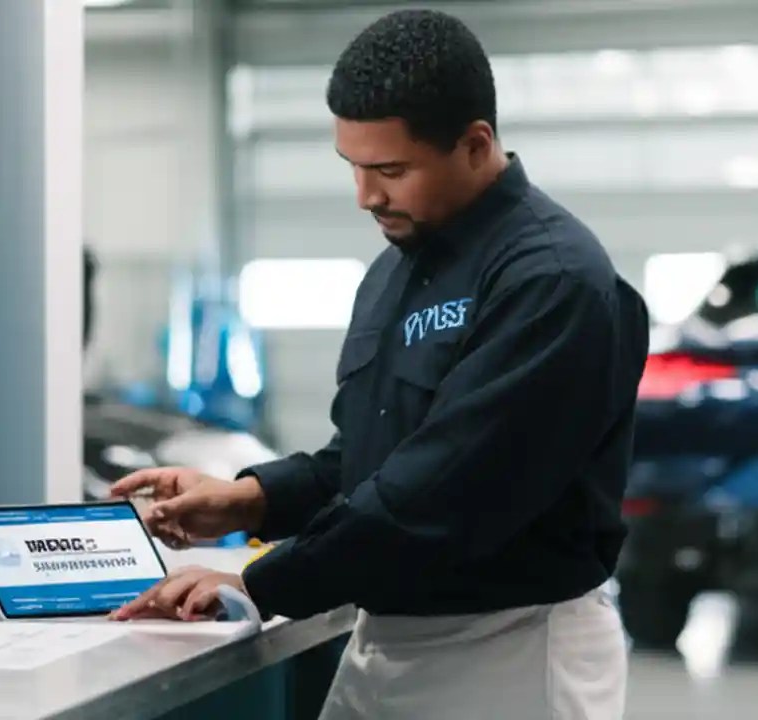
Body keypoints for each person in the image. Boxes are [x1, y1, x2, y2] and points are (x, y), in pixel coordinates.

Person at [109, 9, 650, 719]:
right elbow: (368, 462)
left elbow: (441, 495)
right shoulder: (397, 271)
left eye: (390, 170)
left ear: (475, 143)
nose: (366, 196)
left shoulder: (551, 281)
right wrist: (249, 498)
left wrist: (260, 581)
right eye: (355, 168)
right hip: (388, 641)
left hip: (510, 653)